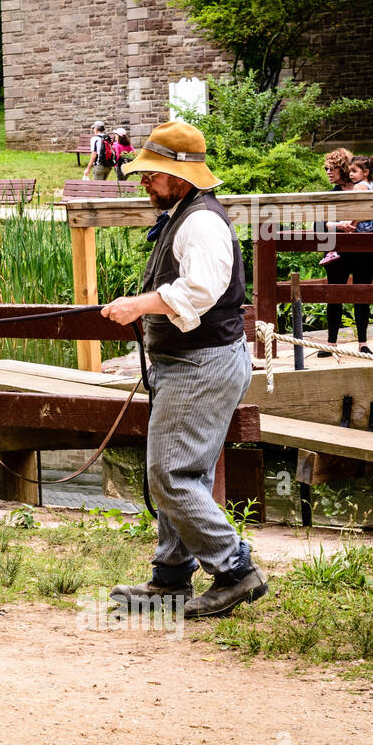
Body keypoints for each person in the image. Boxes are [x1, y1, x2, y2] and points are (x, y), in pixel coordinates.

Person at [101, 120, 267, 618]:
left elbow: (202, 289)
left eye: (152, 174)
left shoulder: (200, 222)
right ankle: (171, 578)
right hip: (192, 362)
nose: (144, 182)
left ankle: (236, 571)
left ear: (181, 175)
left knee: (169, 474)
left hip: (202, 364)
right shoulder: (183, 214)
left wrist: (139, 304)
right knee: (181, 471)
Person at [317, 154, 373, 357]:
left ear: (343, 168)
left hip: (363, 252)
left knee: (362, 295)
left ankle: (363, 343)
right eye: (326, 169)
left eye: (332, 168)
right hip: (339, 252)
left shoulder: (365, 188)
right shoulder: (331, 194)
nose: (328, 173)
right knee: (334, 296)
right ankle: (331, 344)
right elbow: (318, 223)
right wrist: (336, 225)